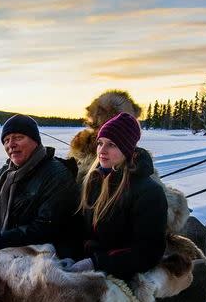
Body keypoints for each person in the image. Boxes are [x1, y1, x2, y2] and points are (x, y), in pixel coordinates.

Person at [65, 112, 168, 280]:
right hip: (84, 265)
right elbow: (77, 229)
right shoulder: (93, 181)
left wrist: (96, 263)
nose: (102, 150)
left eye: (111, 145)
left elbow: (148, 253)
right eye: (100, 143)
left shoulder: (149, 192)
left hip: (121, 274)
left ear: (126, 149)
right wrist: (69, 255)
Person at [0, 114, 78, 257]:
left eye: (18, 138)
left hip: (42, 255)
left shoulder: (57, 174)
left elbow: (45, 227)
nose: (11, 145)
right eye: (6, 140)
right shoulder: (3, 174)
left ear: (35, 140)